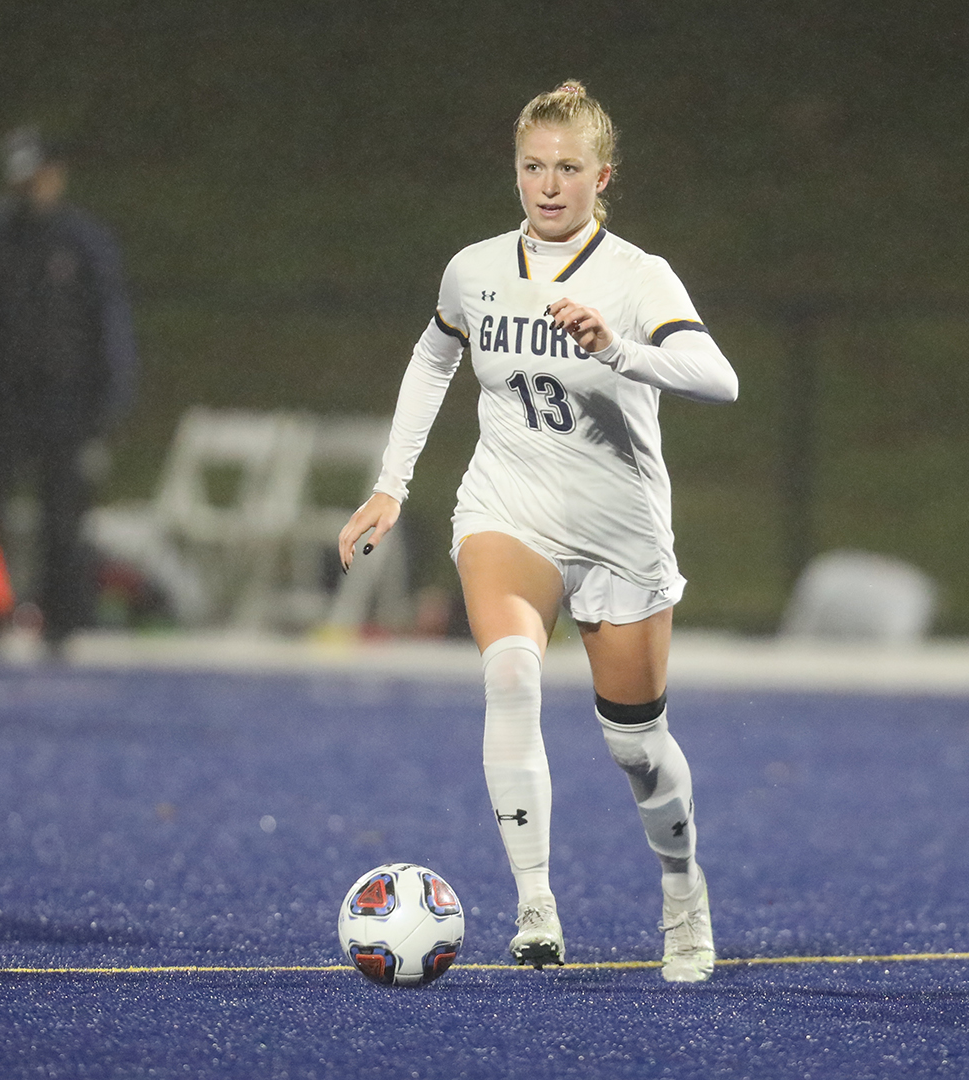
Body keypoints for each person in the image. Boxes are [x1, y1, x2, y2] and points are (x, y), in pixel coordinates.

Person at [337, 81, 738, 982]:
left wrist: (619, 350)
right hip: (506, 506)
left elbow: (720, 378)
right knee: (510, 674)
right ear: (514, 171)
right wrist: (390, 488)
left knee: (635, 747)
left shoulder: (638, 276)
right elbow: (434, 355)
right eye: (532, 167)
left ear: (604, 175)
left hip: (619, 529)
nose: (548, 186)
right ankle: (534, 904)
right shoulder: (474, 268)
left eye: (567, 168)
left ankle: (681, 889)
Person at [0, 126, 136, 653]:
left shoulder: (83, 244)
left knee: (63, 515)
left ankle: (62, 618)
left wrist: (110, 394)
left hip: (62, 398)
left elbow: (106, 323)